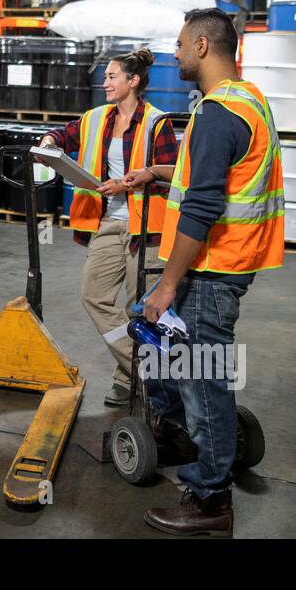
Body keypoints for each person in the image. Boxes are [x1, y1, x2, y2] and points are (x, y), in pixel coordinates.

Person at [126, 8, 285, 536]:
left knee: (204, 380)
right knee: (154, 337)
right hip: (226, 265)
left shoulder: (218, 113)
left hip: (210, 270)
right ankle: (174, 431)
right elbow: (207, 173)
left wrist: (168, 283)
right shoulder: (247, 100)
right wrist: (155, 172)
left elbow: (202, 205)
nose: (172, 54)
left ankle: (208, 497)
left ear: (200, 46)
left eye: (177, 44)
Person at [39, 49, 178, 407]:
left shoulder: (156, 123)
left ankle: (125, 377)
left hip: (145, 226)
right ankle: (139, 369)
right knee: (94, 295)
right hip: (107, 224)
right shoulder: (96, 118)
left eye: (112, 76)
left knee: (138, 305)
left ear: (133, 81)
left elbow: (176, 173)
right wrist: (50, 142)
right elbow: (64, 133)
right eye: (105, 77)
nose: (105, 83)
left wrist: (133, 182)